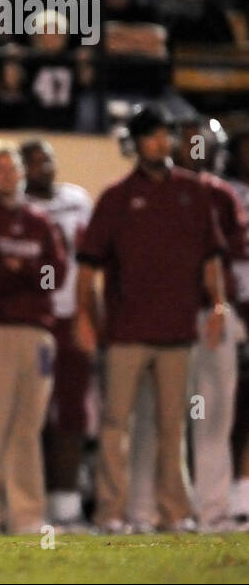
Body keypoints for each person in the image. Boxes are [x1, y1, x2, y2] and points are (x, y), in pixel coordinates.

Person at [77, 103, 229, 533]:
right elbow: (88, 266)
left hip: (178, 329)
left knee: (173, 427)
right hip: (126, 330)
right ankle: (111, 512)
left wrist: (217, 306)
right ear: (138, 143)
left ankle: (174, 511)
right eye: (153, 135)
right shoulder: (116, 197)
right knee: (114, 425)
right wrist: (86, 318)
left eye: (166, 134)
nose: (162, 142)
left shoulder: (195, 193)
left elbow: (210, 258)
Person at [129, 117, 247, 531]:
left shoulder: (220, 194)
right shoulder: (159, 191)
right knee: (155, 416)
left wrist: (221, 306)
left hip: (210, 313)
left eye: (204, 143)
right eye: (189, 142)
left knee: (213, 417)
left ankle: (213, 511)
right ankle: (146, 510)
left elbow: (231, 257)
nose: (196, 149)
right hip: (165, 316)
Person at [0, 143, 66, 534]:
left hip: (37, 333)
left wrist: (19, 270)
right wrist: (25, 272)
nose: (9, 176)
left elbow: (54, 276)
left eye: (14, 169)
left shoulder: (41, 223)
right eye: (1, 170)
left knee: (28, 427)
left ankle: (26, 515)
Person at [20, 139, 95, 529]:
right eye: (33, 161)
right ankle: (30, 504)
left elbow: (92, 262)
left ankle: (66, 503)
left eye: (47, 158)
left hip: (71, 317)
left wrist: (89, 314)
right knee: (31, 415)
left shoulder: (78, 200)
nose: (43, 166)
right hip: (33, 321)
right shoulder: (14, 207)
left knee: (72, 411)